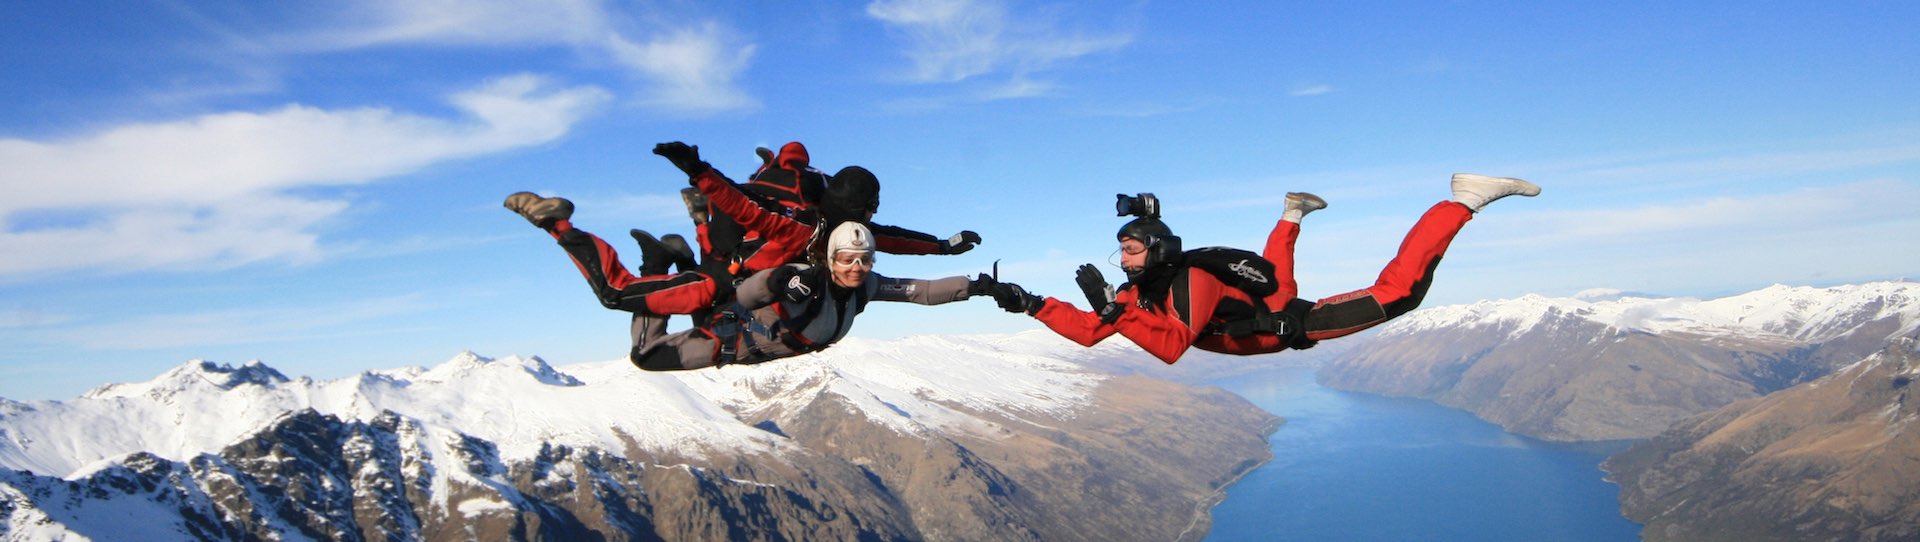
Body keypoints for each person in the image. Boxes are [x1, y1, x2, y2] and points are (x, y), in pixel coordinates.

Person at [979, 174, 1541, 364]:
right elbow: (1090, 333)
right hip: (1263, 313)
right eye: (1120, 254)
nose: (1122, 262)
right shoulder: (1135, 294)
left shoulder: (1186, 281)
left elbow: (1173, 345)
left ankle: (1461, 201)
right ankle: (1292, 212)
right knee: (1278, 279)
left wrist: (1110, 308)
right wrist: (1029, 303)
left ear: (1157, 253)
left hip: (1279, 331)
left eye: (1129, 252)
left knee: (1399, 294)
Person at [503, 153, 992, 370]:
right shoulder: (808, 234)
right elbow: (746, 225)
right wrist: (702, 174)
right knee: (618, 294)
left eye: (861, 259)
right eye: (852, 259)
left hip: (737, 307)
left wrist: (952, 255)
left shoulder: (851, 254)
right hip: (724, 290)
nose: (859, 264)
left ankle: (670, 248)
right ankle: (558, 223)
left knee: (674, 324)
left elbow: (908, 266)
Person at [665, 141, 982, 278]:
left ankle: (751, 177)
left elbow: (887, 236)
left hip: (748, 193)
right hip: (737, 234)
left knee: (739, 216)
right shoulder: (810, 225)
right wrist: (700, 173)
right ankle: (699, 220)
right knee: (717, 273)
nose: (873, 218)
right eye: (872, 209)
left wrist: (945, 245)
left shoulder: (824, 194)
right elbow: (888, 237)